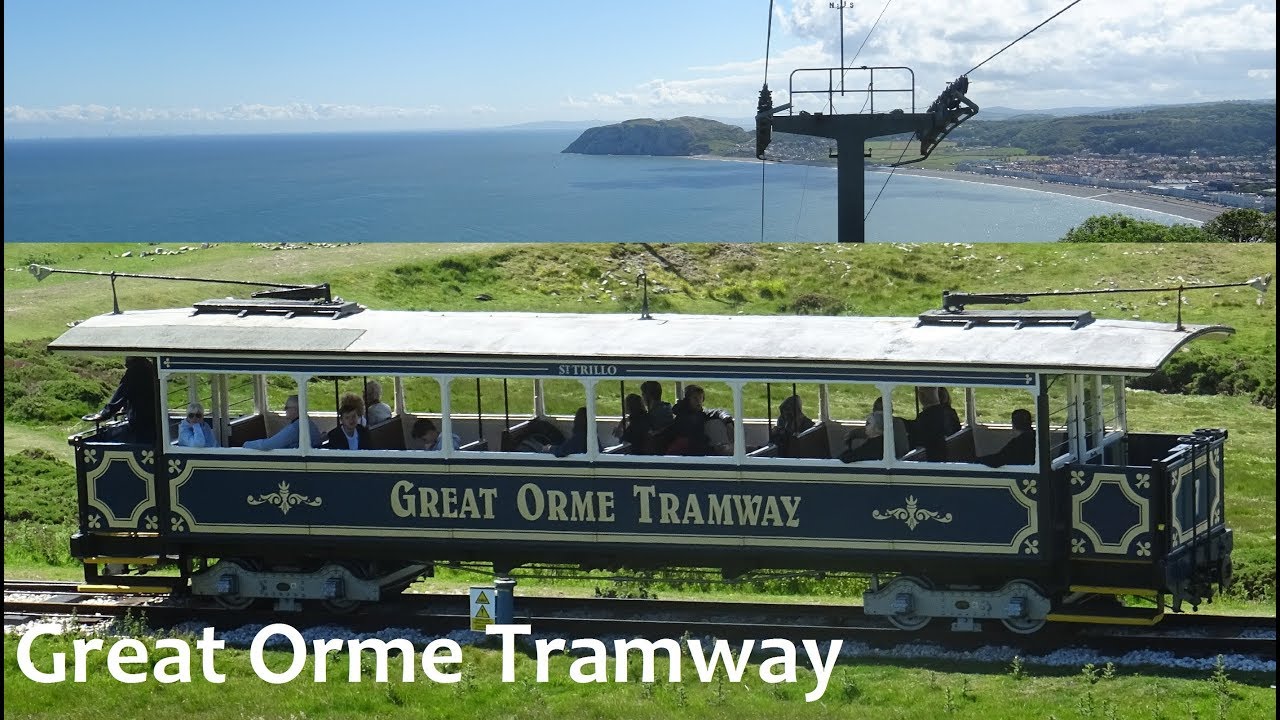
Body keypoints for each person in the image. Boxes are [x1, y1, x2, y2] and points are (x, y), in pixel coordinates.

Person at [86, 356, 157, 443]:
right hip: (155, 420)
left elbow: (121, 395)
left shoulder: (135, 371)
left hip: (141, 422)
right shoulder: (150, 368)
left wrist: (105, 414)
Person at [244, 395, 323, 450]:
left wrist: (246, 444)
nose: (284, 410)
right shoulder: (306, 422)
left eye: (286, 408)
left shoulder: (296, 428)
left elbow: (268, 445)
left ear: (295, 409)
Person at [666, 385, 711, 455]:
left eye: (700, 398)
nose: (698, 401)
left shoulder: (701, 414)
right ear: (687, 400)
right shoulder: (682, 415)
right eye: (695, 398)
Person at [907, 386, 949, 461]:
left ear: (922, 396)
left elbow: (916, 437)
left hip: (932, 460)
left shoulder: (926, 417)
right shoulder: (946, 412)